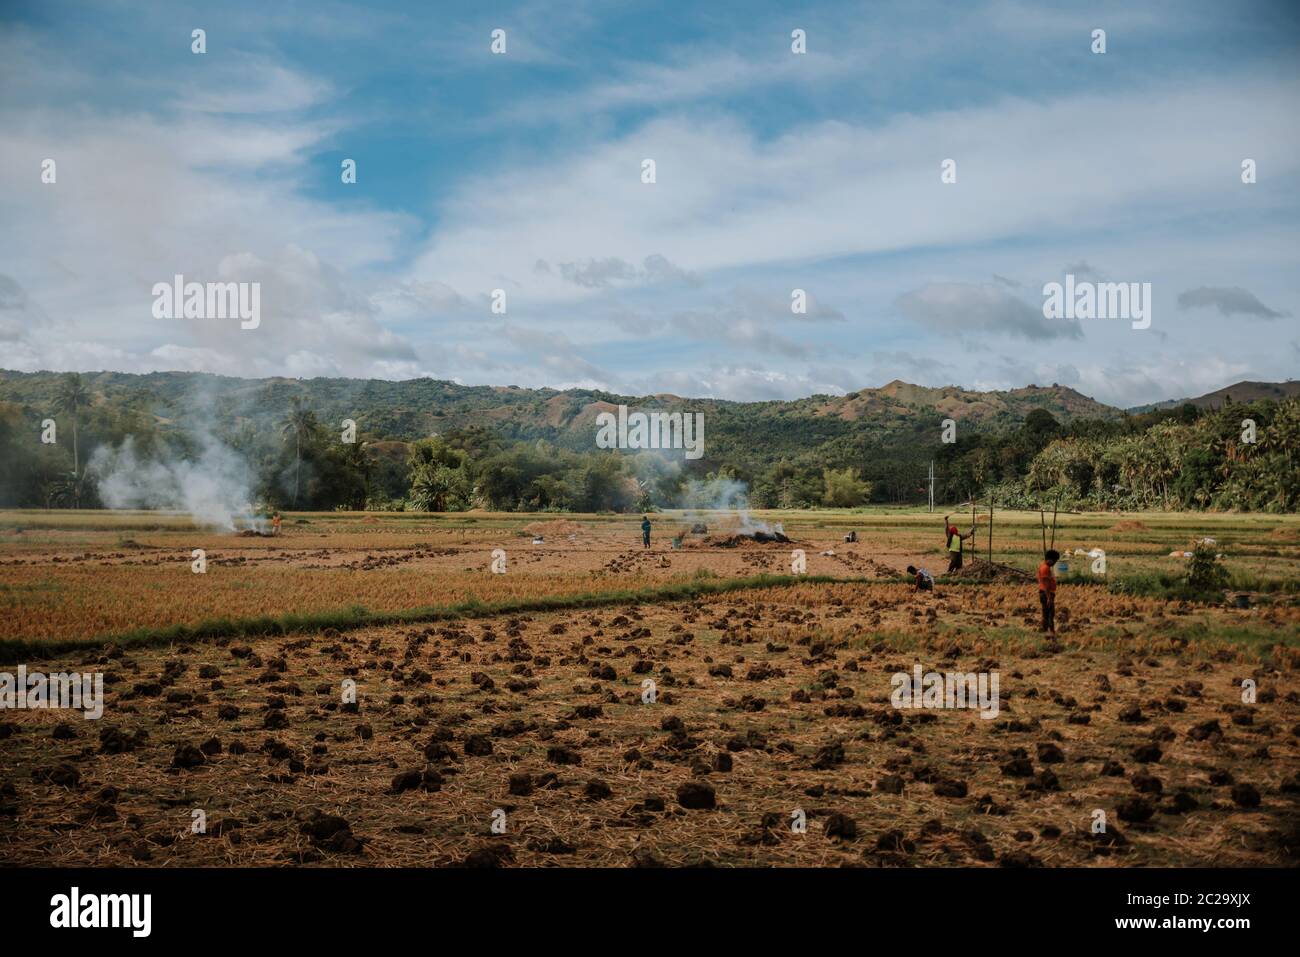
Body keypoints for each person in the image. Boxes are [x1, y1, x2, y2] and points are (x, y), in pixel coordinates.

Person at [1038, 549, 1059, 635]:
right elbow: (1046, 584)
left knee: (1046, 613)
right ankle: (1050, 631)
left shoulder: (1045, 567)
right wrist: (1048, 597)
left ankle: (1045, 629)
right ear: (1050, 559)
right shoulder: (1045, 568)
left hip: (1046, 593)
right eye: (1054, 561)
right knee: (1050, 613)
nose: (1054, 563)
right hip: (1046, 593)